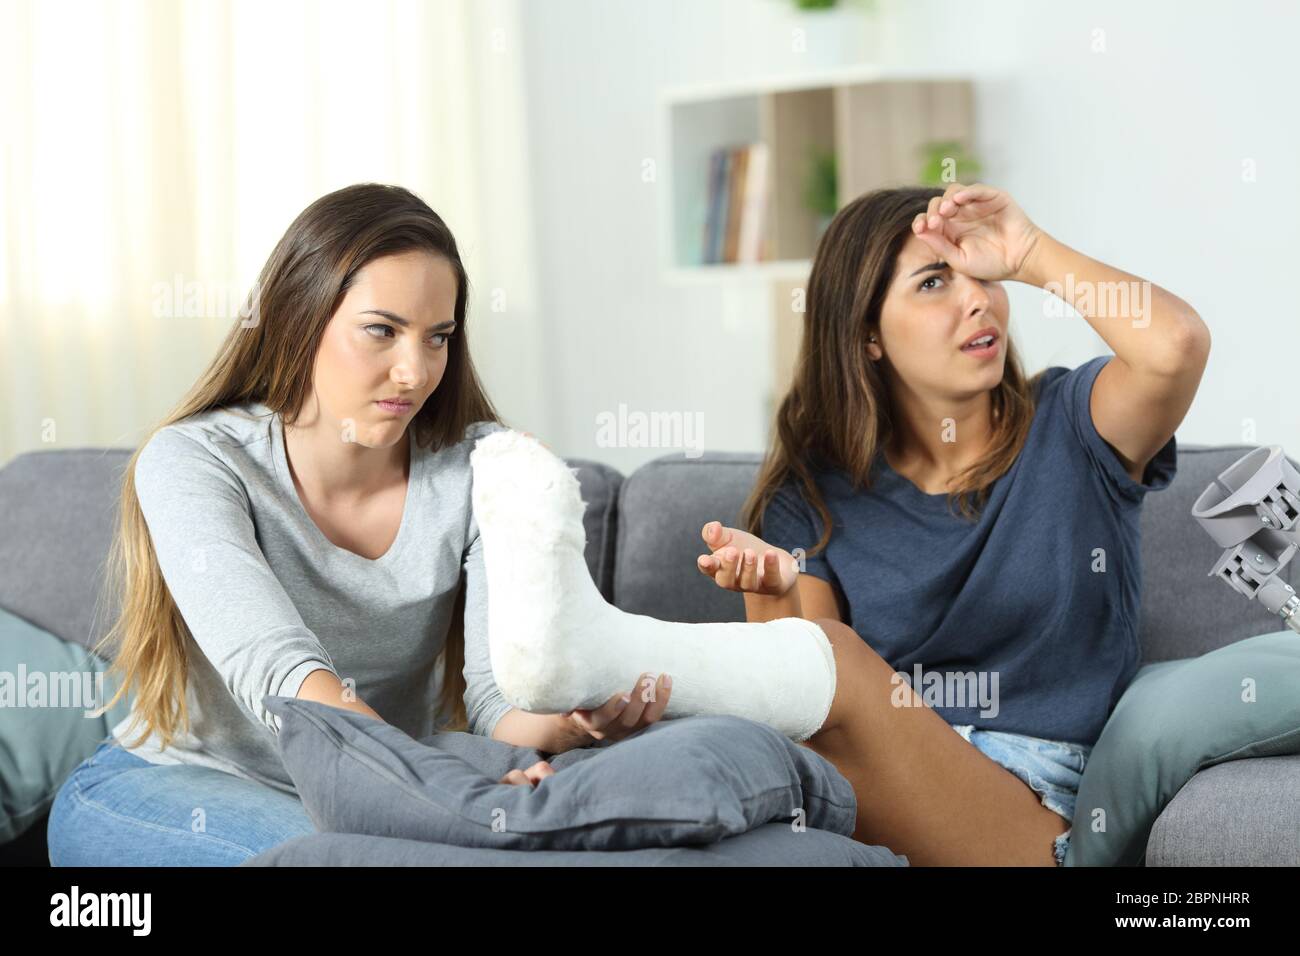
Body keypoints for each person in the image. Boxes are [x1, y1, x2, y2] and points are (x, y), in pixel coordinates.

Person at [47, 183, 663, 866]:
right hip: (177, 786)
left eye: (438, 338)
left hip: (383, 789)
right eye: (382, 330)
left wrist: (569, 727)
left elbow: (489, 697)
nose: (416, 370)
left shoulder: (480, 470)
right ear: (298, 318)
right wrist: (444, 790)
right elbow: (279, 673)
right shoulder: (193, 461)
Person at [694, 182, 1210, 865]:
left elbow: (1175, 344)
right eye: (935, 281)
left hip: (1038, 803)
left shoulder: (1073, 426)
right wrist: (767, 591)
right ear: (867, 335)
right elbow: (798, 709)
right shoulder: (814, 496)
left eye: (984, 277)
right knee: (715, 753)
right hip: (874, 792)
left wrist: (1029, 252)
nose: (978, 299)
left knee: (828, 659)